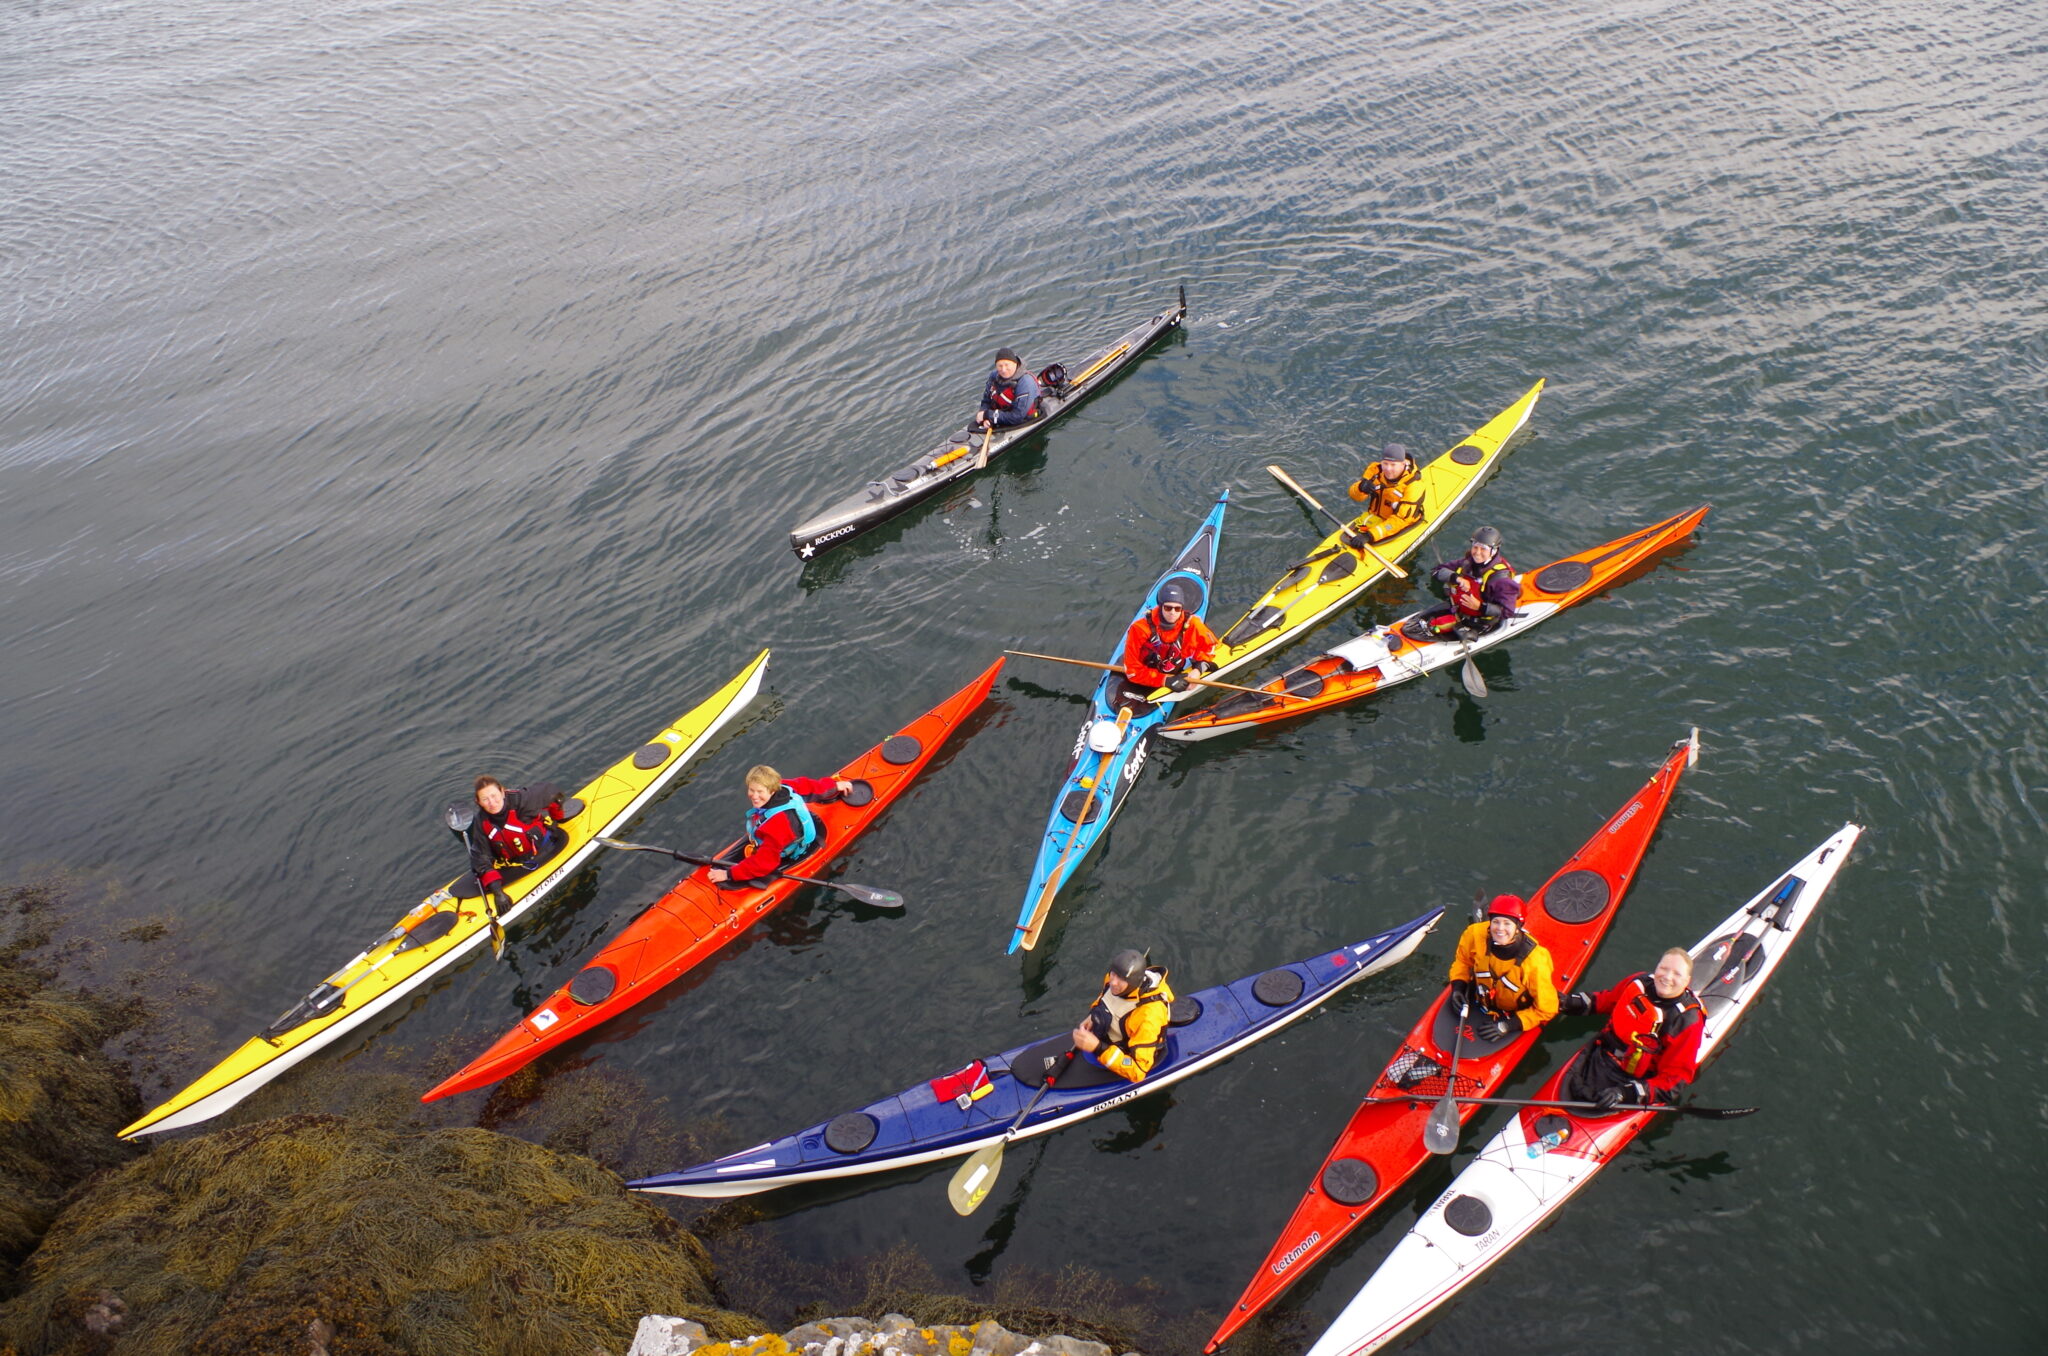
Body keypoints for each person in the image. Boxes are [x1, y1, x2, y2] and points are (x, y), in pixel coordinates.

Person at [1558, 947, 1705, 1113]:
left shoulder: (1687, 1021)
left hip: (1635, 1079)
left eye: (1677, 974)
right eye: (1663, 968)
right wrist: (1569, 1002)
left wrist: (1626, 1093)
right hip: (1601, 1056)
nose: (1667, 977)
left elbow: (1674, 1081)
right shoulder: (1639, 982)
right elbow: (1608, 1000)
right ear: (1656, 967)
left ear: (1687, 981)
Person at [705, 765, 855, 888]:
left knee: (761, 861)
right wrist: (834, 786)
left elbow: (765, 862)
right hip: (777, 839)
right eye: (751, 790)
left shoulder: (778, 825)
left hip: (787, 851)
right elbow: (809, 787)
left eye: (760, 792)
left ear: (772, 790)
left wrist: (728, 874)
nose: (754, 796)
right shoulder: (783, 786)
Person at [1446, 894, 1559, 1039]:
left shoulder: (1535, 961)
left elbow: (1548, 1009)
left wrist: (1509, 1025)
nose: (1500, 929)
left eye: (1507, 923)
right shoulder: (1474, 934)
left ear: (1518, 927)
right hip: (1480, 999)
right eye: (1496, 922)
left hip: (1514, 1012)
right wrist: (1458, 987)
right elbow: (1462, 961)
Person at [1070, 948, 1175, 1083]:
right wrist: (1092, 1016)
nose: (1113, 982)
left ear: (1134, 982)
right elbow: (1105, 1000)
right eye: (1113, 973)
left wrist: (1098, 1048)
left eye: (1121, 978)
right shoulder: (1112, 981)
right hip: (1108, 1038)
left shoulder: (1148, 1017)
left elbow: (1138, 1071)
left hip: (1127, 1057)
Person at [467, 776, 568, 912]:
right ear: (478, 802)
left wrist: (558, 818)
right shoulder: (481, 823)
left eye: (494, 796)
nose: (492, 803)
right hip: (514, 863)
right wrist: (498, 892)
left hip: (546, 847)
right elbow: (481, 858)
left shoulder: (522, 800)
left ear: (502, 792)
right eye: (485, 799)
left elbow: (552, 793)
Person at [1406, 525, 1520, 642]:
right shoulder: (1468, 562)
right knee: (1417, 625)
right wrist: (1457, 579)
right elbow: (1436, 571)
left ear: (1494, 551)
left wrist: (1480, 607)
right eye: (1475, 547)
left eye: (1483, 549)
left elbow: (1508, 612)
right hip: (1459, 609)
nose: (1477, 553)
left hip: (1481, 621)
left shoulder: (1501, 579)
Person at [1119, 581, 1217, 708]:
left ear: (1182, 609)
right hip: (1146, 673)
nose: (1172, 612)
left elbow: (1210, 646)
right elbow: (1132, 672)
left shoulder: (1193, 624)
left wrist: (1198, 670)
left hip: (1176, 670)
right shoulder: (1139, 629)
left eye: (1177, 608)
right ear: (1160, 607)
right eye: (1168, 608)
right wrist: (1164, 680)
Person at [1345, 442, 1425, 543]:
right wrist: (1360, 488)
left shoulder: (1414, 485)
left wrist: (1370, 535)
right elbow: (1355, 496)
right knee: (1351, 537)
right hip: (1375, 519)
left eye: (1393, 465)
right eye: (1385, 464)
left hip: (1397, 524)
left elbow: (1401, 520)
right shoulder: (1375, 471)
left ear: (1403, 464)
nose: (1388, 469)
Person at [975, 348, 1041, 432]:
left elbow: (1018, 416)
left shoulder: (1025, 382)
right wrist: (984, 417)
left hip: (1020, 419)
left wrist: (988, 415)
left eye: (1007, 365)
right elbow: (986, 401)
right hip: (1000, 415)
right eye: (1000, 366)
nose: (1003, 370)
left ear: (1015, 364)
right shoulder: (994, 376)